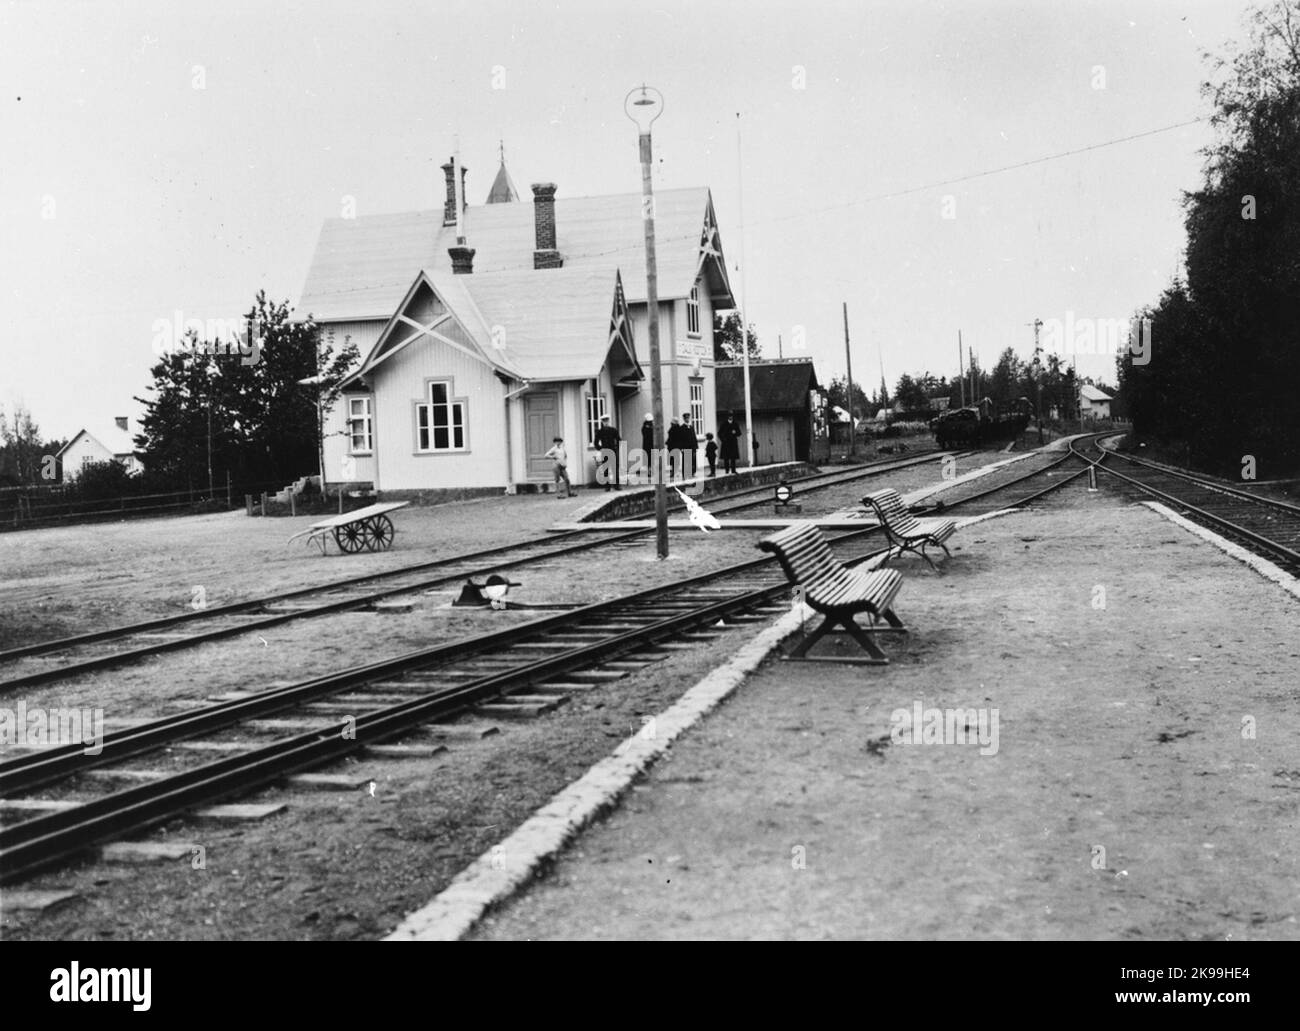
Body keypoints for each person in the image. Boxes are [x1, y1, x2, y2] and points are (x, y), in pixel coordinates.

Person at [594, 414, 621, 491]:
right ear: (602, 422)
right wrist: (600, 448)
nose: (605, 422)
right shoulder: (600, 431)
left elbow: (619, 439)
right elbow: (596, 442)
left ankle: (616, 486)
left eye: (606, 420)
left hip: (613, 450)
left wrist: (616, 448)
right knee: (606, 469)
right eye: (604, 421)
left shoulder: (613, 430)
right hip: (605, 451)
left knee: (615, 468)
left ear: (609, 421)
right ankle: (607, 486)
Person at [680, 412, 698, 480]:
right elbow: (680, 439)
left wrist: (696, 447)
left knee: (692, 460)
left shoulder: (691, 427)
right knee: (685, 461)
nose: (687, 419)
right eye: (686, 418)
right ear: (684, 419)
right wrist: (681, 448)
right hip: (685, 447)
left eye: (688, 418)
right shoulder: (682, 428)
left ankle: (692, 473)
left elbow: (694, 437)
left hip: (692, 447)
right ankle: (684, 475)